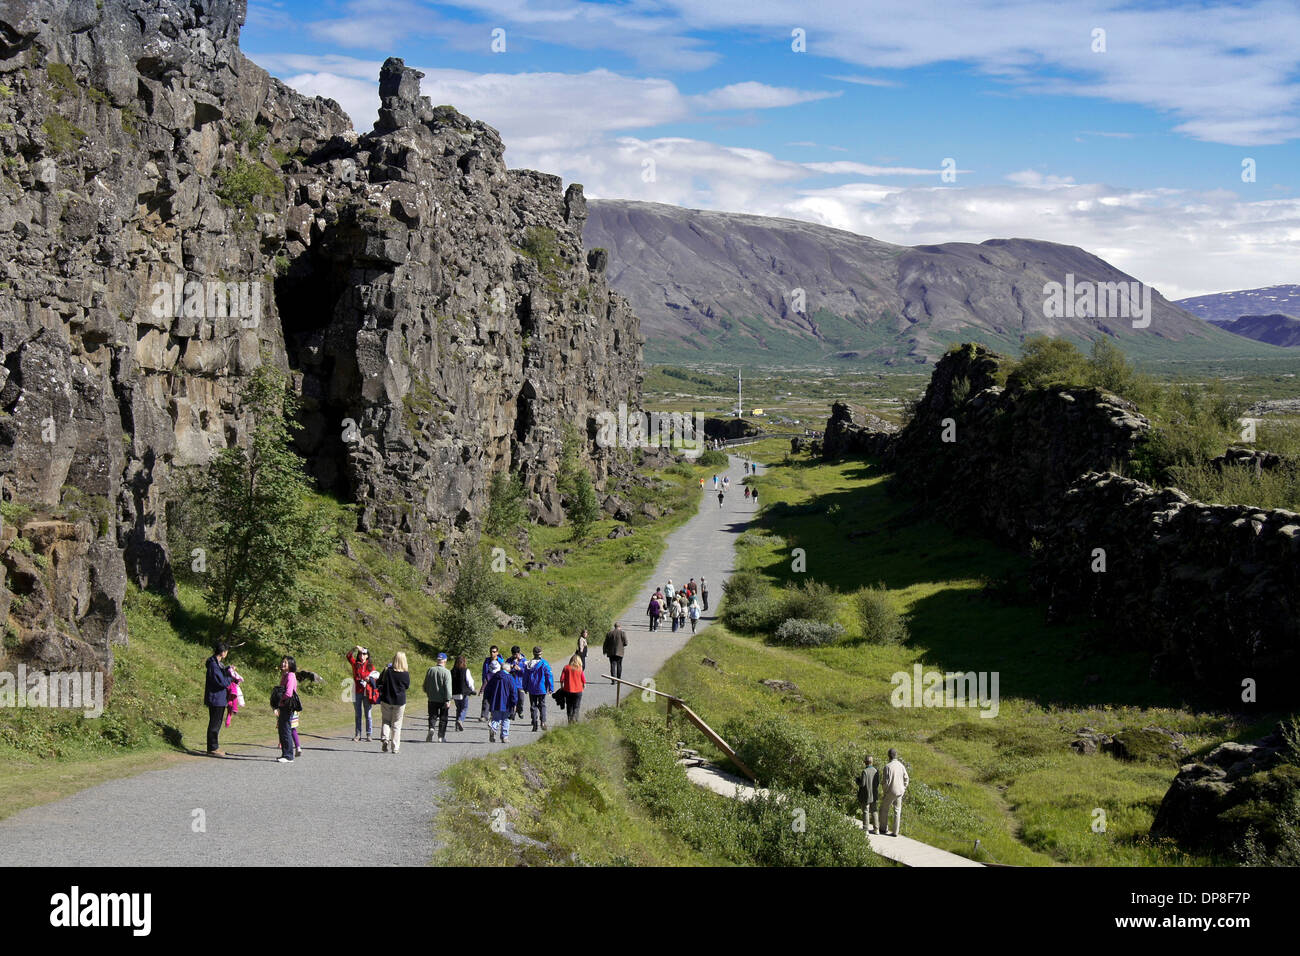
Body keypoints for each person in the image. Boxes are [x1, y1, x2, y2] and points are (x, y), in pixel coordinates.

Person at [378, 652, 410, 754]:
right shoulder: (405, 674)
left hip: (386, 699)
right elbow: (407, 686)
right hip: (399, 701)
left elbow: (379, 681)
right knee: (396, 724)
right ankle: (395, 747)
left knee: (386, 720)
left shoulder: (387, 671)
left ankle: (385, 738)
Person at [204, 643, 234, 756]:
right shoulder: (213, 665)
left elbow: (221, 674)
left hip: (219, 698)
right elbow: (221, 681)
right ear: (223, 652)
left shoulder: (217, 664)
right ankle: (212, 748)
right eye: (226, 651)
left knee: (216, 722)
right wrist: (231, 677)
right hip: (216, 698)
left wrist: (228, 670)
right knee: (215, 724)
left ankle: (213, 747)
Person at [483, 660, 517, 743]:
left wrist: (487, 698)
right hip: (507, 702)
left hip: (495, 702)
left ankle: (493, 728)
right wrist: (514, 702)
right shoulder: (510, 678)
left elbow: (487, 689)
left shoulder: (495, 677)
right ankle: (504, 737)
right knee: (506, 719)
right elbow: (514, 691)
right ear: (508, 670)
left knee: (496, 718)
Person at [523, 646, 555, 732]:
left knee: (533, 706)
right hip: (542, 688)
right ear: (541, 653)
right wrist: (551, 687)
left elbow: (525, 677)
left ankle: (534, 723)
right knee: (542, 705)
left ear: (533, 653)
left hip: (532, 688)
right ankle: (543, 722)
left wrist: (525, 687)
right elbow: (549, 675)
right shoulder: (544, 663)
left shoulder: (529, 664)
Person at [347, 645, 375, 741]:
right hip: (357, 692)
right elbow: (348, 656)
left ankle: (369, 734)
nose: (362, 656)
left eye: (364, 654)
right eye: (360, 654)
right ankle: (358, 734)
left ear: (367, 656)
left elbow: (375, 678)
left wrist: (369, 679)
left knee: (368, 714)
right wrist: (355, 648)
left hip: (367, 692)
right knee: (358, 714)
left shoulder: (370, 666)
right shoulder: (355, 664)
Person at [273, 656, 298, 764]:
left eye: (286, 663)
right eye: (283, 662)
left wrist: (279, 699)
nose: (283, 664)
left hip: (287, 706)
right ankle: (285, 754)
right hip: (282, 706)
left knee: (286, 730)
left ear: (290, 665)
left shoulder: (291, 676)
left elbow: (288, 693)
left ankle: (289, 756)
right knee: (282, 730)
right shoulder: (285, 675)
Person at [424, 653, 453, 742]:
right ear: (445, 661)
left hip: (432, 698)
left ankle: (431, 728)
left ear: (437, 660)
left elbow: (425, 684)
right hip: (443, 699)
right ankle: (441, 736)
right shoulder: (446, 672)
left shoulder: (430, 670)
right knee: (443, 718)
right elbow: (448, 687)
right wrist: (448, 699)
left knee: (432, 716)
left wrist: (428, 692)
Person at [881, 748, 910, 836]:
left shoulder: (887, 766)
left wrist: (885, 791)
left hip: (890, 791)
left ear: (889, 756)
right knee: (897, 811)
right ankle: (895, 832)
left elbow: (885, 782)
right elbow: (906, 778)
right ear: (896, 755)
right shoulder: (901, 766)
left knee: (884, 809)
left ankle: (883, 828)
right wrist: (903, 788)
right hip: (899, 791)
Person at [450, 653, 475, 732]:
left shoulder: (452, 671)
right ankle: (460, 720)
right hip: (463, 692)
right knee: (464, 708)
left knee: (458, 708)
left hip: (454, 693)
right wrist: (472, 689)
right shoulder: (465, 670)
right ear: (464, 662)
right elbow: (469, 681)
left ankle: (457, 726)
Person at [857, 755, 881, 834]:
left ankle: (866, 829)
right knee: (874, 811)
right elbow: (877, 783)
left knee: (865, 811)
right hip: (874, 794)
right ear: (872, 762)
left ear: (865, 762)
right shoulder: (876, 771)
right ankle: (876, 829)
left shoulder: (865, 771)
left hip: (866, 795)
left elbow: (862, 784)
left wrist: (857, 781)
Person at [559, 654, 585, 724]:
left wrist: (562, 687)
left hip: (568, 690)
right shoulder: (580, 668)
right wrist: (584, 686)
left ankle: (570, 721)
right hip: (578, 690)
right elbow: (583, 679)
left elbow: (562, 679)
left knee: (569, 706)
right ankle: (575, 718)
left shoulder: (566, 667)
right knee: (576, 706)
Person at [480, 645, 502, 722]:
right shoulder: (487, 661)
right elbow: (484, 672)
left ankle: (494, 715)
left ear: (497, 652)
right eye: (491, 652)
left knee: (495, 699)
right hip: (488, 681)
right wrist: (483, 681)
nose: (492, 653)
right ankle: (484, 716)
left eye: (494, 652)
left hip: (497, 683)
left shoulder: (501, 661)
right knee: (485, 699)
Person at [508, 646, 527, 720]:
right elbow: (505, 669)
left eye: (516, 654)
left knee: (521, 699)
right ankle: (512, 713)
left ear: (519, 653)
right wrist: (512, 666)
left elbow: (527, 672)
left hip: (520, 683)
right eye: (513, 655)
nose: (515, 656)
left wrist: (520, 669)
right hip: (511, 683)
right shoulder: (509, 660)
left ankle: (520, 710)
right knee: (513, 699)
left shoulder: (524, 661)